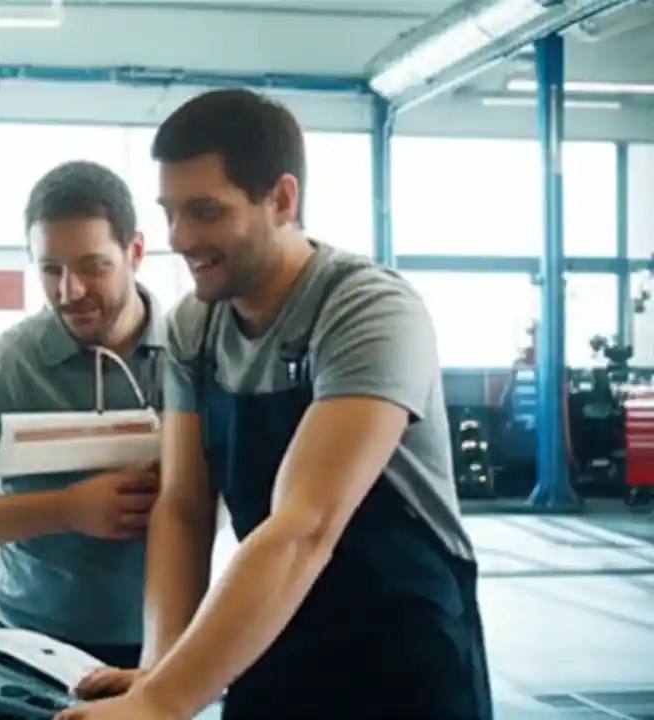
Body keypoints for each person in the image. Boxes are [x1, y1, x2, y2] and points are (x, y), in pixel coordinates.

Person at [58, 90, 493, 719]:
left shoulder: (367, 311)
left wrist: (164, 704)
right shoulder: (194, 329)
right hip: (263, 633)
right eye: (171, 212)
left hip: (403, 655)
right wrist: (160, 668)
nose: (181, 238)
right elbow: (183, 509)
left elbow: (305, 524)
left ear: (282, 199)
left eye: (205, 211)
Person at [0, 159, 167, 668]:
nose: (70, 291)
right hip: (33, 644)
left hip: (167, 645)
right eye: (51, 269)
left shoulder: (197, 354)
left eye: (92, 265)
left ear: (135, 253)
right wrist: (65, 508)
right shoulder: (6, 371)